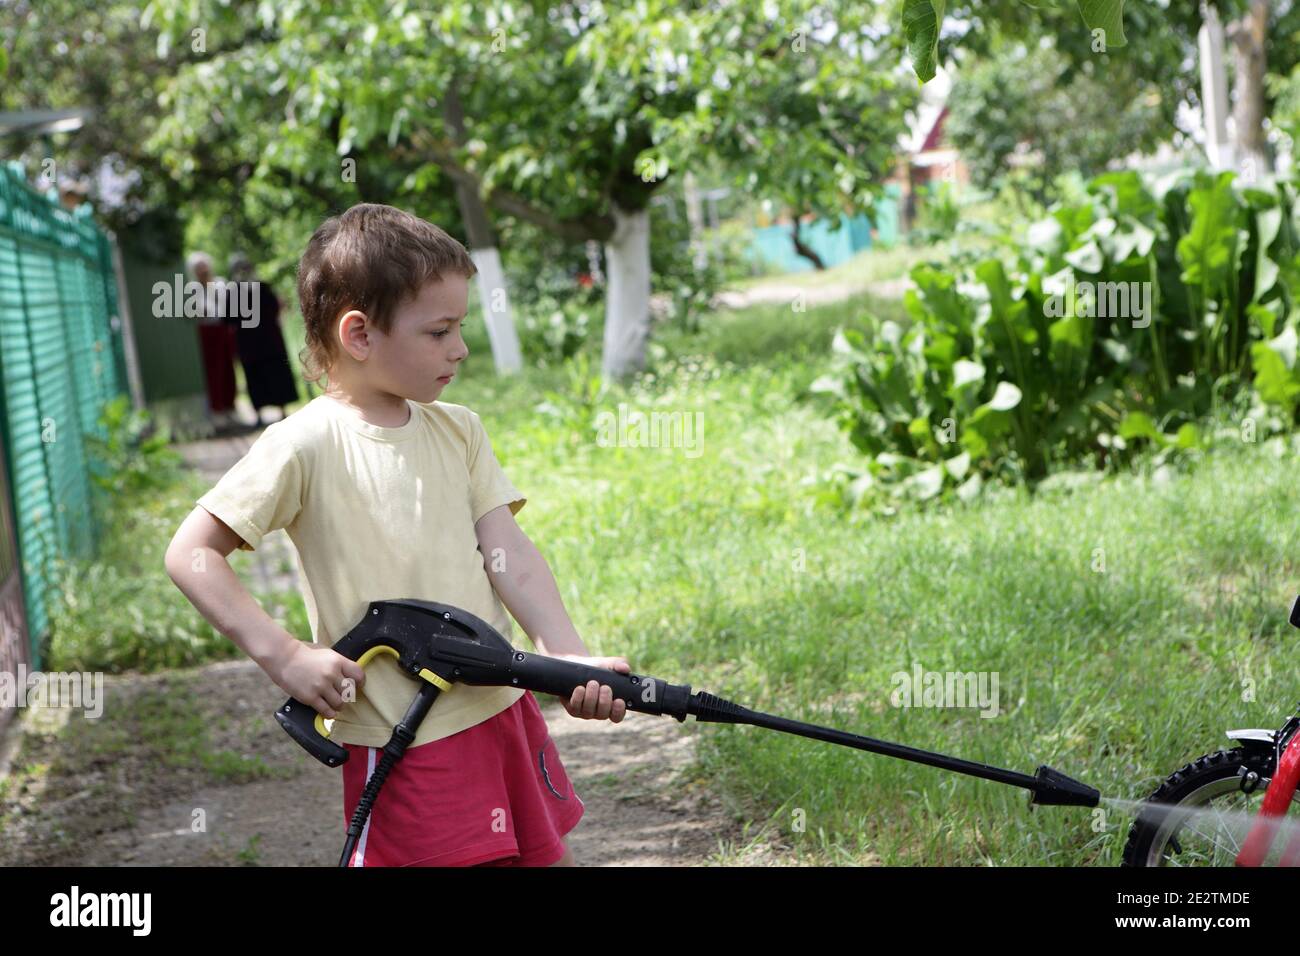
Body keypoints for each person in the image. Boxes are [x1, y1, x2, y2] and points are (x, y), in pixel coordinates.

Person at [165, 203, 627, 867]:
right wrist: (285, 656)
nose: (461, 349)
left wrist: (567, 658)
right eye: (440, 331)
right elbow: (190, 555)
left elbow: (512, 558)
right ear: (359, 334)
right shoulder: (302, 445)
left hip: (498, 712)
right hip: (404, 737)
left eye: (461, 327)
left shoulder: (458, 428)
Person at [226, 254, 300, 427]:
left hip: (266, 343)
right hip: (252, 345)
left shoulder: (262, 288)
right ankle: (261, 414)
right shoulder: (236, 292)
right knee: (255, 379)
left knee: (276, 376)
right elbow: (228, 318)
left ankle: (281, 410)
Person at [185, 251, 245, 435]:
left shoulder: (220, 284)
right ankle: (217, 411)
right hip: (206, 333)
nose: (203, 271)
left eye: (204, 267)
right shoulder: (193, 289)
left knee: (228, 369)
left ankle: (231, 408)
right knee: (213, 371)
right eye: (199, 268)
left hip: (224, 330)